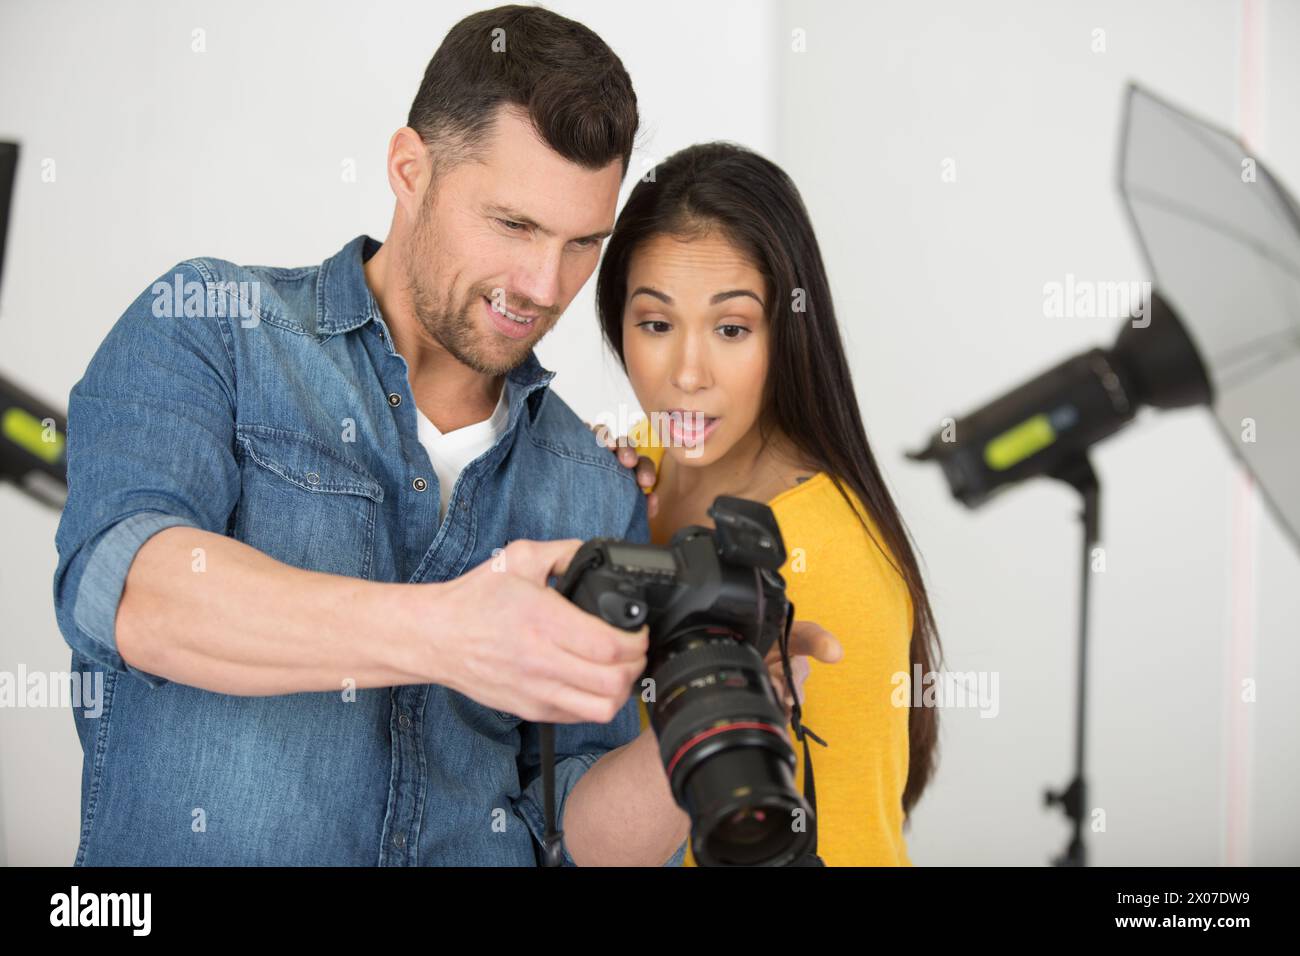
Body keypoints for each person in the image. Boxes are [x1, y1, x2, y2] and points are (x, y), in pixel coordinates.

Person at [52, 5, 846, 867]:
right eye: (514, 225)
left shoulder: (593, 483)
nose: (544, 286)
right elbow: (125, 589)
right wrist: (444, 634)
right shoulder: (215, 329)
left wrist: (717, 717)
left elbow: (574, 830)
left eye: (583, 242)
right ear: (409, 169)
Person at [598, 142, 945, 865]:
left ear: (787, 331)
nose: (687, 375)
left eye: (731, 328)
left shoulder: (830, 560)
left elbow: (851, 844)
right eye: (656, 324)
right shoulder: (636, 461)